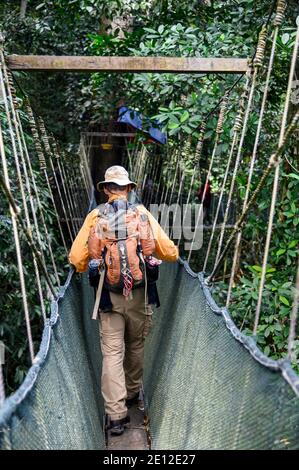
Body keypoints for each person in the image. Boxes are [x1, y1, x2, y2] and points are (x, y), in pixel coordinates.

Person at [69, 166, 178, 436]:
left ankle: (116, 417)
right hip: (139, 296)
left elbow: (76, 260)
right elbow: (171, 253)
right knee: (136, 345)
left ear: (106, 189)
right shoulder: (142, 215)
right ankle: (131, 395)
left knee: (112, 353)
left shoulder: (95, 217)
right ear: (129, 189)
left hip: (108, 298)